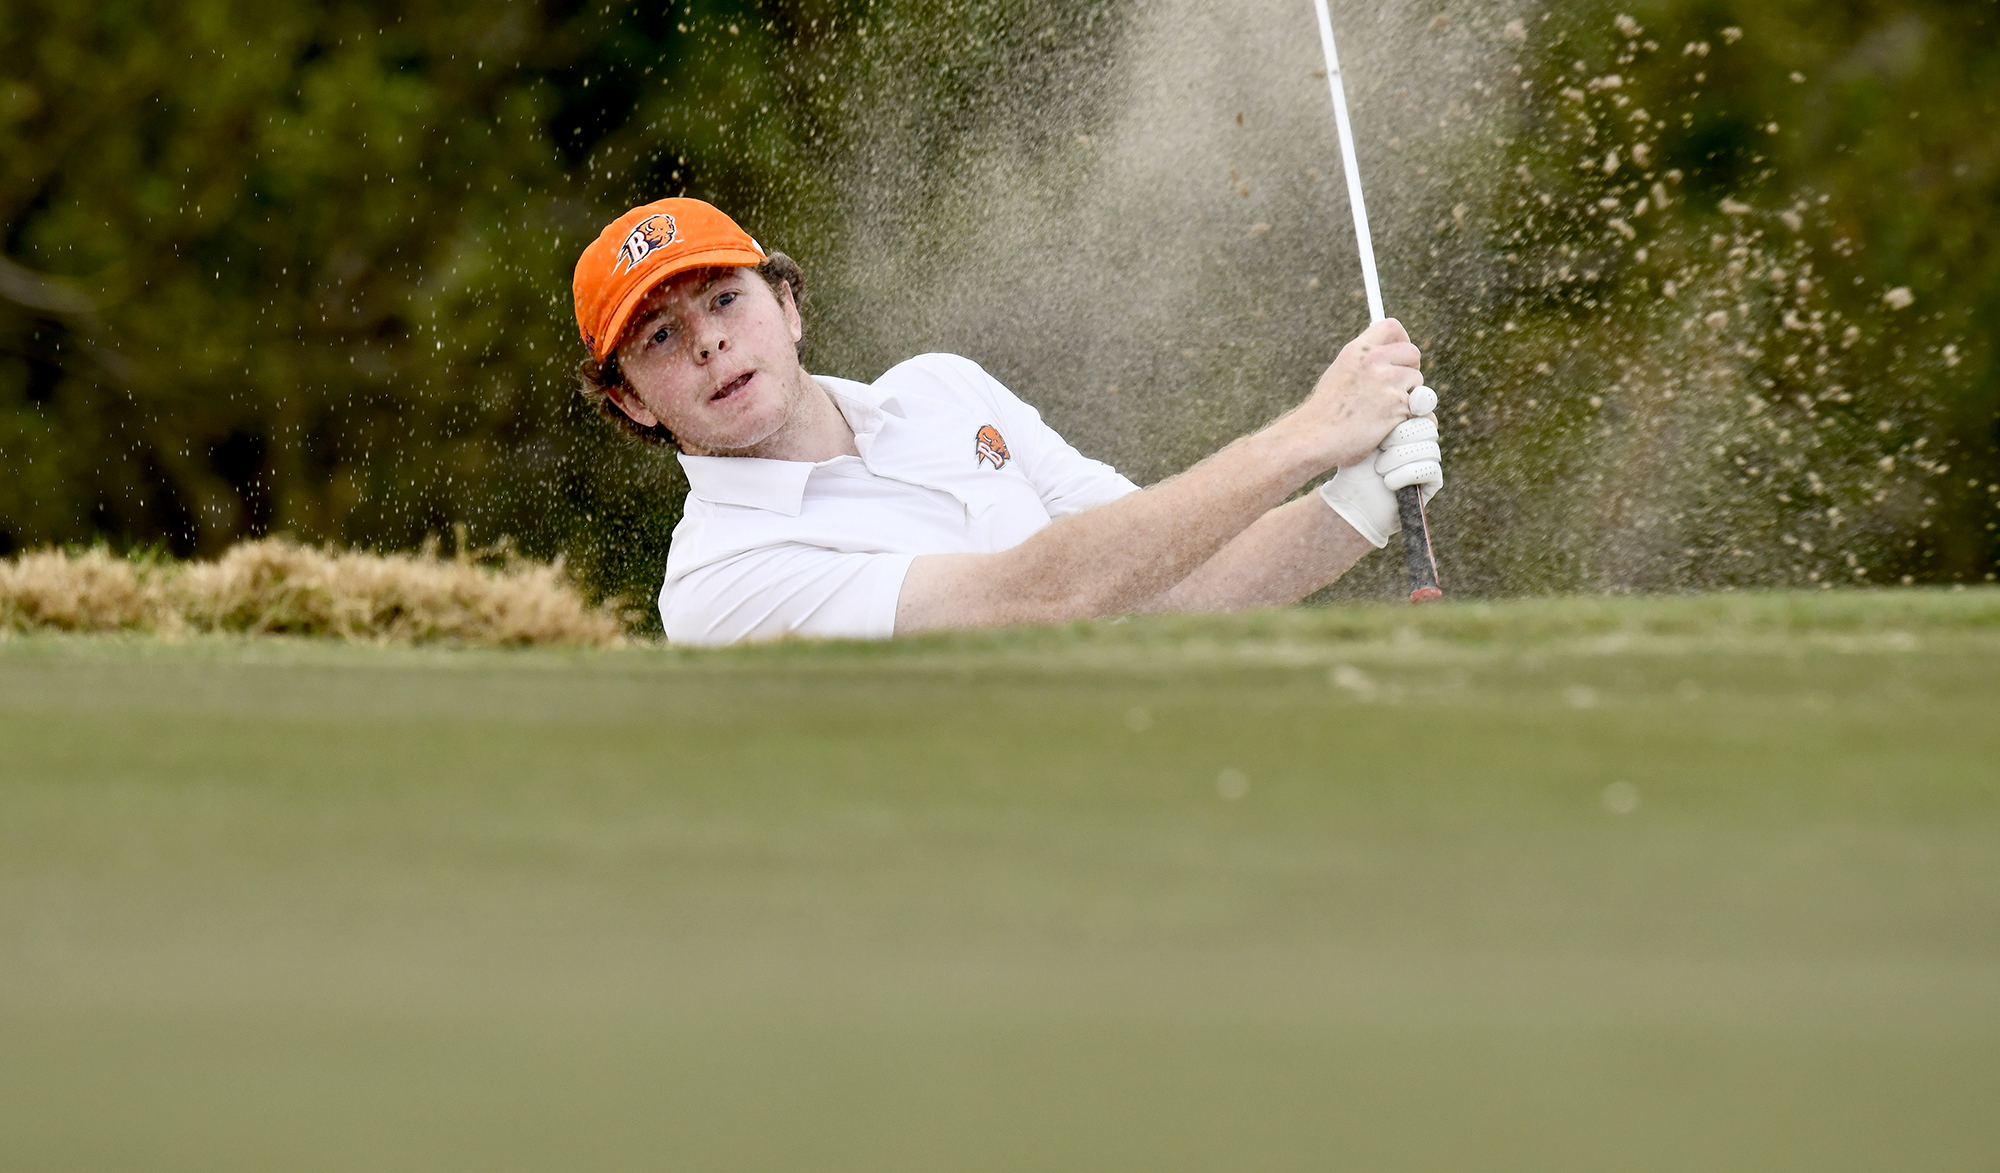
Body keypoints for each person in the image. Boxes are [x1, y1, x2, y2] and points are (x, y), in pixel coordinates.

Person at [571, 197, 1442, 645]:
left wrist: (1356, 502)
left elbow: (1171, 583)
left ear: (788, 306)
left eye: (726, 298)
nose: (709, 340)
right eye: (661, 336)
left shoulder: (943, 389)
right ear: (631, 401)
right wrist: (1305, 435)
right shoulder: (717, 581)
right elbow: (1037, 597)